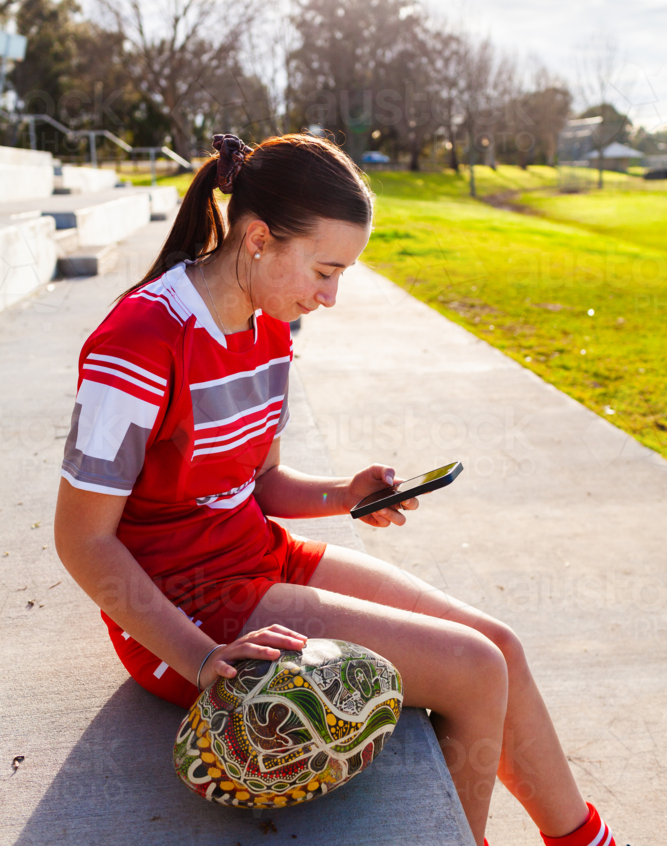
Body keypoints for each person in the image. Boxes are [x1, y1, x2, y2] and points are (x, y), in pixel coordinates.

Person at [54, 133, 615, 846]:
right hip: (184, 609)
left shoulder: (270, 329)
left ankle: (586, 841)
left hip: (258, 556)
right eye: (324, 270)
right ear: (257, 238)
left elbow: (259, 482)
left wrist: (346, 494)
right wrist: (198, 657)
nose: (331, 295)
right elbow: (81, 538)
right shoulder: (139, 342)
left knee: (498, 644)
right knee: (472, 672)